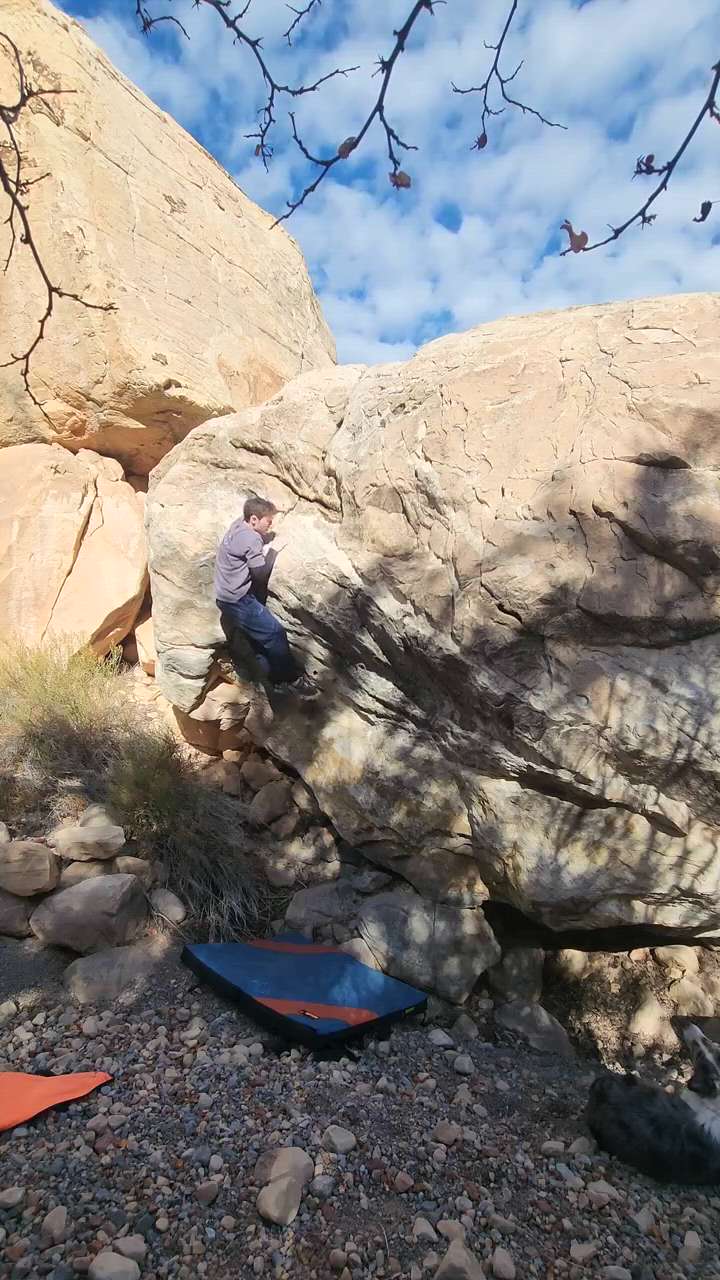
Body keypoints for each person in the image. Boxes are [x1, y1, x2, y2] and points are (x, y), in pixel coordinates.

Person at [214, 496, 316, 697]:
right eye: (268, 521)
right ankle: (290, 680)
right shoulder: (251, 538)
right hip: (239, 601)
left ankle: (271, 681)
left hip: (224, 597)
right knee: (275, 633)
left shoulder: (237, 525)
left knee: (258, 640)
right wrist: (273, 554)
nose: (271, 525)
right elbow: (259, 573)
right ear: (253, 520)